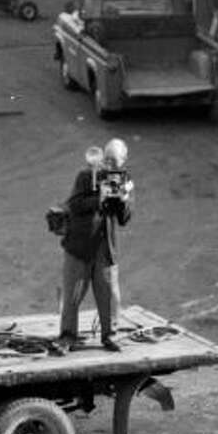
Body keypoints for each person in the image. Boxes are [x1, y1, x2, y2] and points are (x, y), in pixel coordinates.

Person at [57, 138, 134, 352]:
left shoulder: (123, 180)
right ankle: (67, 337)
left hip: (104, 247)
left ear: (123, 161)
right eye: (107, 159)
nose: (110, 165)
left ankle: (110, 336)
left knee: (108, 293)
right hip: (79, 246)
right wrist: (98, 198)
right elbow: (73, 205)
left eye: (114, 161)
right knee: (72, 293)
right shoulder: (86, 176)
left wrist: (122, 198)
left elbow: (124, 219)